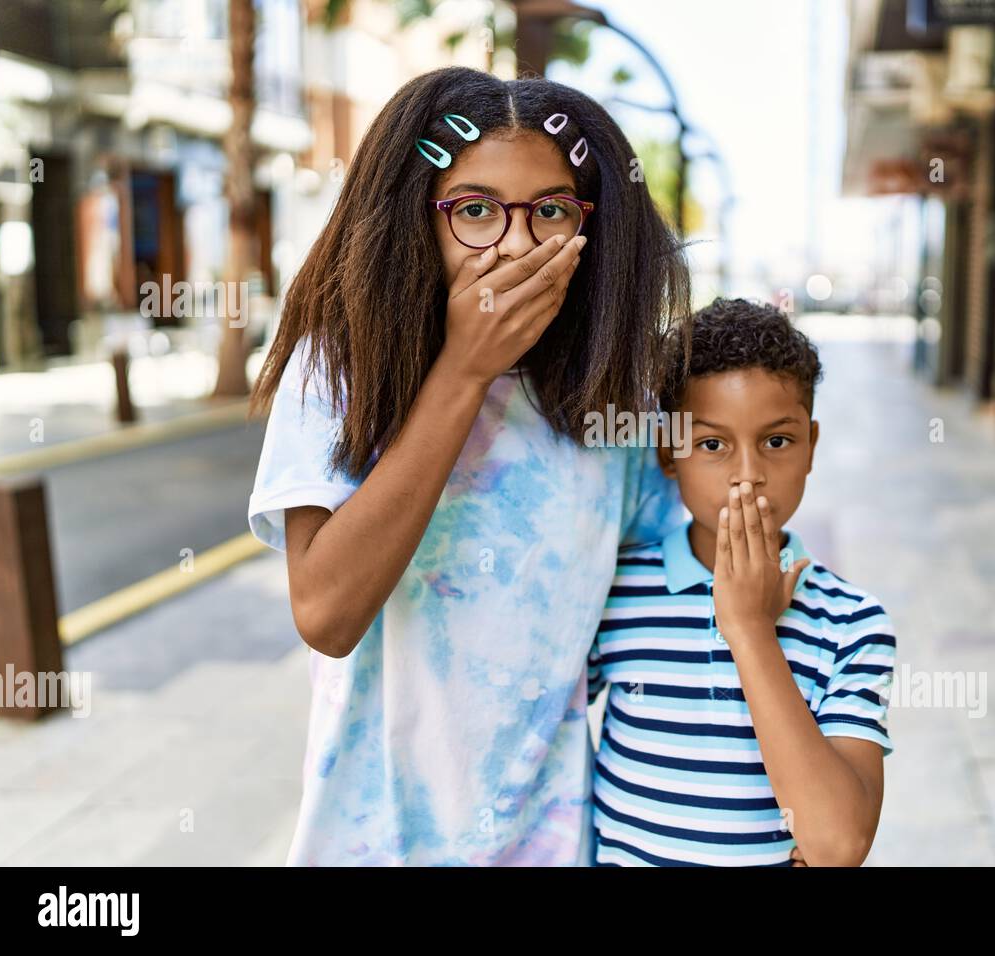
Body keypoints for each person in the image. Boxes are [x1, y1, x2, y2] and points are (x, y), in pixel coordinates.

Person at [246, 66, 689, 865]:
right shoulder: (339, 371)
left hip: (556, 843)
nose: (517, 242)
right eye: (475, 210)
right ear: (417, 221)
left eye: (550, 211)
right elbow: (326, 612)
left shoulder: (620, 400)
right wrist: (462, 371)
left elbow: (667, 614)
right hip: (370, 844)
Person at [588, 297, 896, 866]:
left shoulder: (852, 623)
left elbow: (837, 845)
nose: (748, 475)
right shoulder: (614, 588)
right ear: (668, 452)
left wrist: (750, 630)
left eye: (777, 441)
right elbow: (538, 731)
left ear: (811, 449)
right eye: (712, 445)